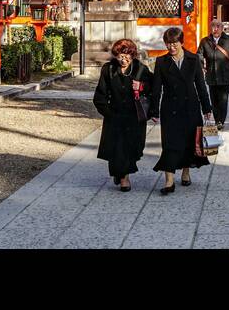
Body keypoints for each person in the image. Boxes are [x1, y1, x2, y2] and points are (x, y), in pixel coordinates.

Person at [150, 27, 214, 195]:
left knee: (188, 141)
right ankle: (169, 180)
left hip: (190, 107)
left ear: (181, 42)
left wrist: (207, 109)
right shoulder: (161, 62)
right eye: (168, 44)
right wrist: (154, 110)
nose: (171, 47)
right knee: (170, 144)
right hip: (170, 108)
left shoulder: (193, 60)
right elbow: (157, 89)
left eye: (175, 43)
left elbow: (201, 86)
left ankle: (186, 171)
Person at [92, 38, 153, 191]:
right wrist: (108, 112)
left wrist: (142, 86)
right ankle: (124, 177)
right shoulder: (108, 69)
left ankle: (121, 172)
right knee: (117, 148)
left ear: (133, 55)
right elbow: (100, 94)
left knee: (133, 148)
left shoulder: (140, 69)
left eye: (127, 56)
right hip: (115, 114)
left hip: (134, 116)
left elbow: (153, 87)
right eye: (120, 56)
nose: (123, 59)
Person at [198, 19, 229, 129]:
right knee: (213, 98)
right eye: (213, 26)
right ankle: (217, 119)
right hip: (212, 74)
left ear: (222, 28)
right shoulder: (205, 41)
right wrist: (201, 67)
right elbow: (199, 55)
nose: (215, 29)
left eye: (218, 26)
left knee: (223, 99)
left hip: (226, 74)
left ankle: (220, 121)